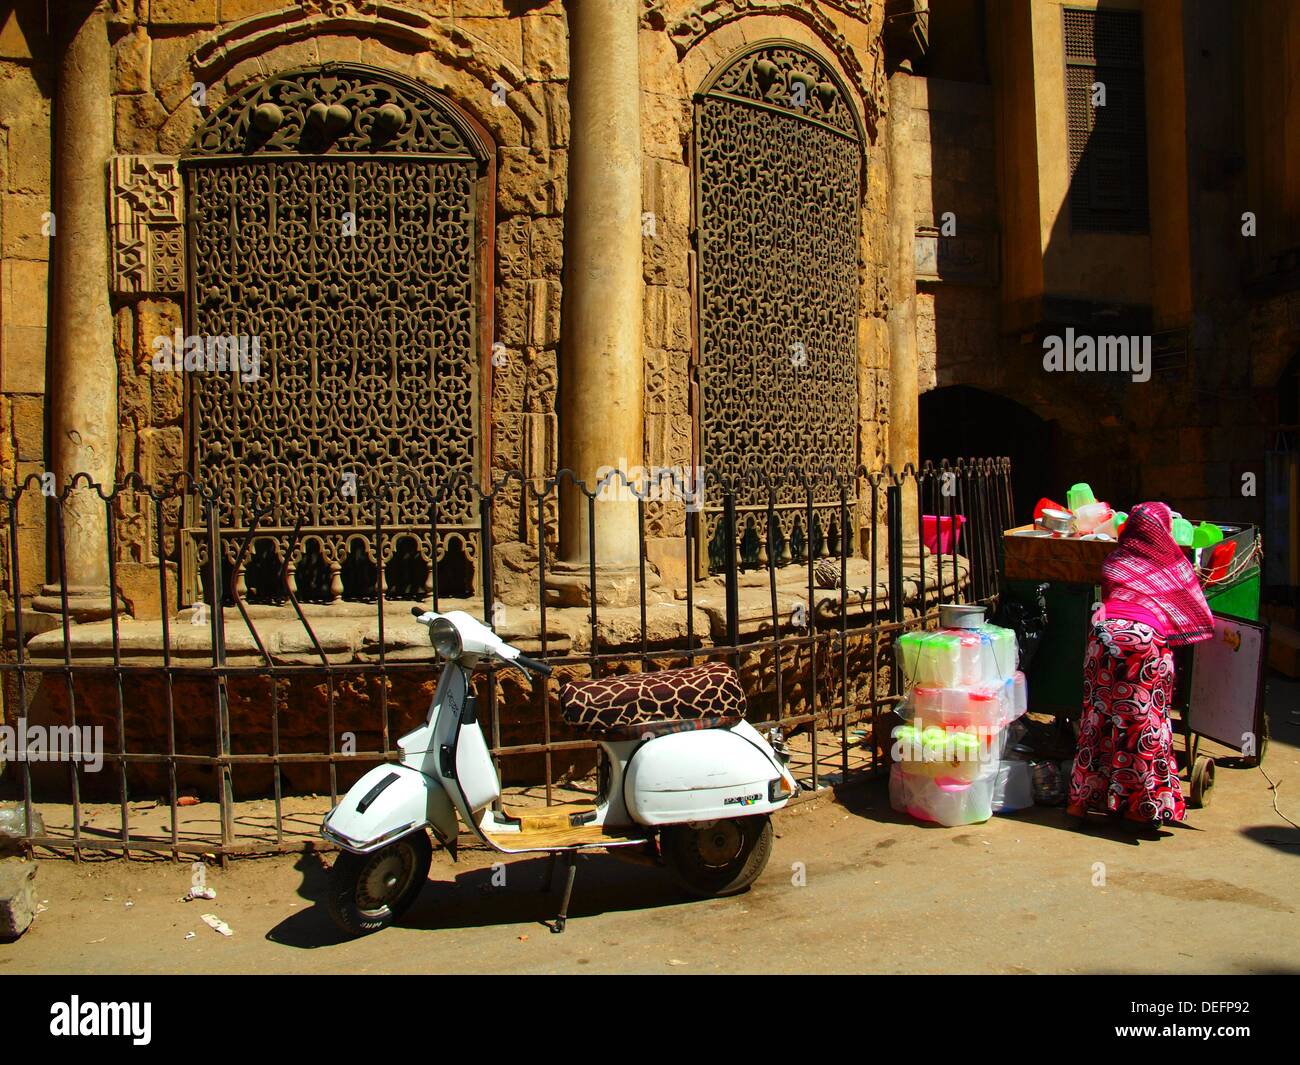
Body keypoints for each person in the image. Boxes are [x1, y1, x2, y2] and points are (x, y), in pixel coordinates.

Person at [1067, 502, 1213, 827]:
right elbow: (1192, 605)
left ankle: (1080, 802)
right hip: (1144, 641)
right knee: (1145, 721)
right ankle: (1139, 808)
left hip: (1102, 638)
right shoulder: (1171, 565)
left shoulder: (1114, 562)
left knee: (1098, 717)